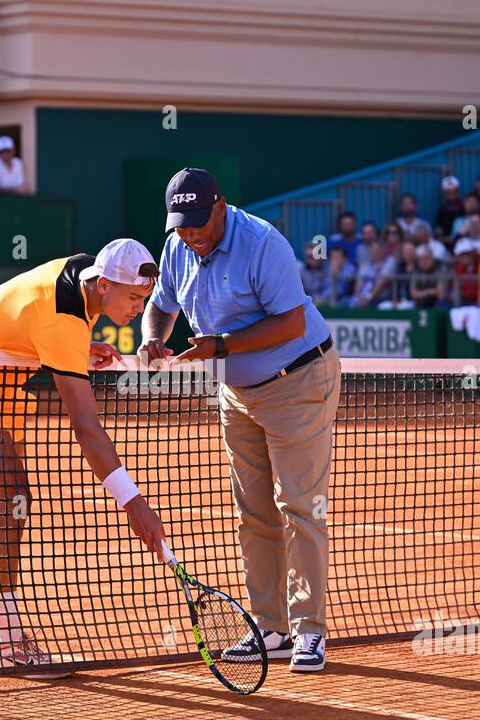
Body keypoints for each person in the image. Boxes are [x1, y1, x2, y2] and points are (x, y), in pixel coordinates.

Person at [0, 238, 167, 670]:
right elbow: (86, 428)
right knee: (15, 499)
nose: (137, 310)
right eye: (133, 299)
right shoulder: (62, 320)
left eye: (143, 299)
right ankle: (9, 638)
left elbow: (31, 322)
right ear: (104, 284)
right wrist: (133, 501)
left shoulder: (85, 273)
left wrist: (78, 351)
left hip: (1, 376)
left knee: (1, 497)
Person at [141, 167, 338, 673]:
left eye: (199, 223)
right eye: (182, 225)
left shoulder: (261, 243)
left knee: (299, 507)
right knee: (253, 513)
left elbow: (290, 322)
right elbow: (161, 305)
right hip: (236, 392)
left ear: (221, 206)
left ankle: (309, 631)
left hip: (297, 380)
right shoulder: (177, 248)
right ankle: (270, 626)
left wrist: (220, 346)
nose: (192, 234)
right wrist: (151, 338)